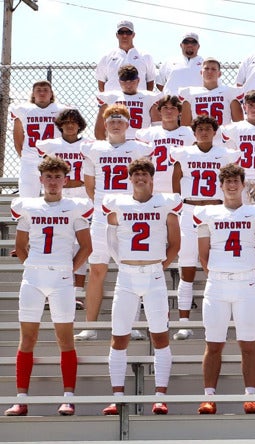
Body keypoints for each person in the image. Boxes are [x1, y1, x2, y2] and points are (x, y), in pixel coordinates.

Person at [4, 156, 92, 417]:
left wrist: (68, 269)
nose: (53, 182)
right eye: (49, 177)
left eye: (57, 177)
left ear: (65, 180)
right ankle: (21, 399)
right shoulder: (28, 208)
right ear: (40, 179)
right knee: (27, 338)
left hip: (61, 279)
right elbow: (19, 246)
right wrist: (33, 265)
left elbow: (86, 246)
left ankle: (68, 397)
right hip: (33, 278)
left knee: (64, 339)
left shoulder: (74, 208)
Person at [100, 158, 181, 416]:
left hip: (154, 275)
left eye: (145, 174)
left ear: (152, 177)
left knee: (159, 336)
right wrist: (124, 263)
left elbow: (175, 243)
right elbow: (111, 240)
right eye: (136, 175)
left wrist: (159, 265)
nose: (140, 178)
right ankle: (117, 395)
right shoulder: (118, 204)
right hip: (126, 276)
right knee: (119, 336)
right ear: (130, 178)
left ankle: (160, 395)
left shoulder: (166, 203)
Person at [195, 163, 255, 415]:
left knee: (248, 343)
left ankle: (250, 395)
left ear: (242, 185)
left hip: (246, 282)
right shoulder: (208, 214)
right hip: (217, 283)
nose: (231, 185)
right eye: (226, 181)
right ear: (221, 185)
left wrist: (251, 277)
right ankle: (208, 397)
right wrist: (217, 274)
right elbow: (203, 255)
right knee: (213, 343)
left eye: (235, 181)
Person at [75, 105, 154, 342]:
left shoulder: (139, 148)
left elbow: (145, 182)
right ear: (105, 123)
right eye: (111, 120)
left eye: (120, 120)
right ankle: (90, 325)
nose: (116, 124)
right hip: (102, 214)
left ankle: (134, 324)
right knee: (97, 269)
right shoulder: (94, 149)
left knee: (133, 269)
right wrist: (103, 205)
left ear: (128, 124)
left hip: (130, 214)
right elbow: (89, 186)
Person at [171, 115, 241, 341]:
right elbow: (177, 180)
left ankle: (229, 320)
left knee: (221, 263)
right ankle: (184, 322)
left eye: (207, 129)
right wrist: (182, 205)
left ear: (215, 132)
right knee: (188, 266)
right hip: (191, 208)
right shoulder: (183, 153)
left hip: (216, 210)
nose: (203, 132)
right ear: (194, 132)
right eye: (199, 129)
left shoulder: (226, 154)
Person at [36, 109, 93, 298]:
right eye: (66, 121)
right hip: (58, 195)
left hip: (81, 195)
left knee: (79, 244)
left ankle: (76, 291)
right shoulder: (50, 145)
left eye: (74, 121)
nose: (70, 125)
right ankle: (51, 288)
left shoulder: (89, 145)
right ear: (60, 124)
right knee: (58, 243)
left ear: (80, 125)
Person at [11, 80, 68, 197]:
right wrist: (25, 156)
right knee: (27, 197)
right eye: (38, 90)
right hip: (30, 160)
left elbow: (68, 134)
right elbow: (17, 137)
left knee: (58, 197)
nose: (42, 93)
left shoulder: (62, 110)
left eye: (45, 90)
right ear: (33, 94)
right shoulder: (22, 110)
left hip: (54, 160)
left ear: (51, 94)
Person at [135, 95, 196, 193]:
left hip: (181, 186)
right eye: (165, 108)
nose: (169, 111)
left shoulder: (190, 133)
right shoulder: (148, 133)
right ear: (159, 111)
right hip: (155, 187)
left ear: (179, 112)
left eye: (173, 108)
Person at [95, 65, 162, 141]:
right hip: (116, 142)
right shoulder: (110, 98)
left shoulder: (150, 98)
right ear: (119, 81)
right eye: (124, 82)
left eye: (132, 81)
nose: (128, 85)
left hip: (140, 142)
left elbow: (158, 127)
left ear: (138, 80)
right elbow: (99, 130)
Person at [179, 58, 244, 130]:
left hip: (223, 138)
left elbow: (239, 124)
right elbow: (185, 127)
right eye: (206, 69)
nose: (209, 71)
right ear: (201, 72)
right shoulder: (190, 93)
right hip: (199, 139)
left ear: (219, 74)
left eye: (213, 69)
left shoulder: (229, 92)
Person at [96, 20, 156, 92]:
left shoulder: (145, 56)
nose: (125, 35)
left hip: (138, 102)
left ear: (133, 35)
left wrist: (145, 100)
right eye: (121, 32)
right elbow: (101, 81)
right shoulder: (107, 57)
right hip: (114, 102)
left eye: (128, 32)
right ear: (117, 35)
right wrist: (106, 102)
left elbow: (150, 81)